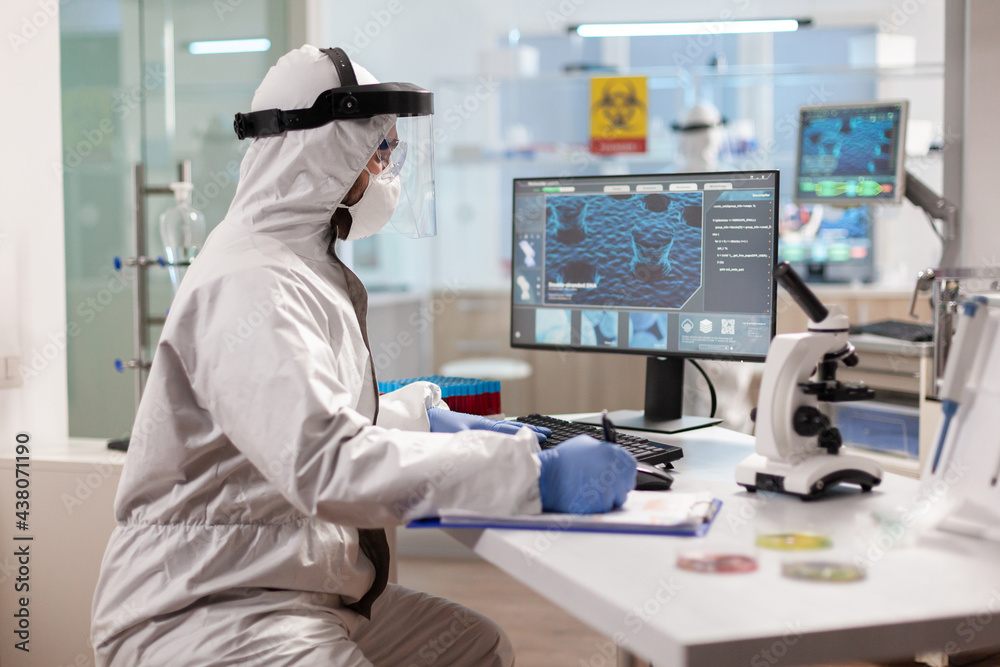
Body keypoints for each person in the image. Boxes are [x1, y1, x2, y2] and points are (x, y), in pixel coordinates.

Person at [91, 45, 636, 666]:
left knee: (474, 648)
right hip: (208, 608)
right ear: (323, 151)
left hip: (292, 587)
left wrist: (424, 418)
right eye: (378, 150)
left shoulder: (298, 264)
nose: (388, 170)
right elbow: (327, 462)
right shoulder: (249, 283)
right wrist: (532, 474)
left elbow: (316, 417)